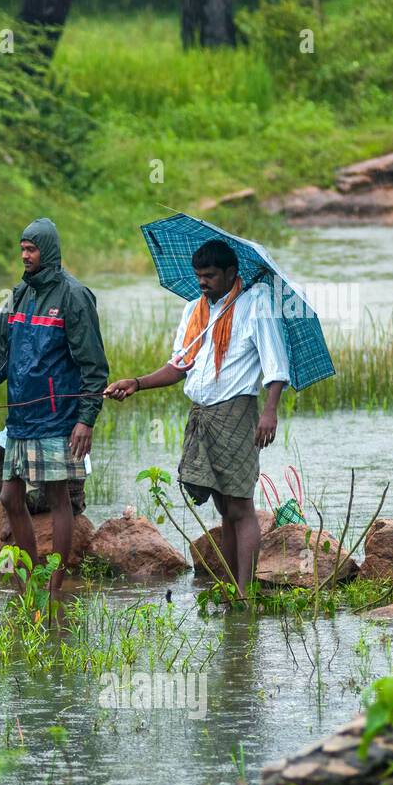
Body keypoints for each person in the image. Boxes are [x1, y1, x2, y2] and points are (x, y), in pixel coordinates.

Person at [0, 217, 108, 597]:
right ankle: (28, 583)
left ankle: (56, 585)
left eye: (31, 249)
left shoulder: (74, 297)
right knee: (11, 497)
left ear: (49, 251)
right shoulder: (17, 296)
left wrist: (86, 419)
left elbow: (94, 366)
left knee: (59, 498)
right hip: (22, 418)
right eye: (22, 249)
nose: (25, 256)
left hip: (58, 417)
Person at [105, 238, 290, 597]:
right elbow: (179, 367)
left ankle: (244, 592)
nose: (202, 282)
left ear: (231, 273)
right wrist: (137, 384)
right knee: (222, 504)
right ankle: (234, 584)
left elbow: (275, 364)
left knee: (240, 504)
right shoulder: (195, 311)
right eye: (199, 276)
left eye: (210, 276)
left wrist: (270, 411)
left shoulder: (255, 305)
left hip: (237, 412)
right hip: (202, 415)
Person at [0, 398, 85, 516]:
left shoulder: (27, 410)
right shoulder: (60, 407)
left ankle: (17, 514)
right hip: (76, 498)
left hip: (50, 500)